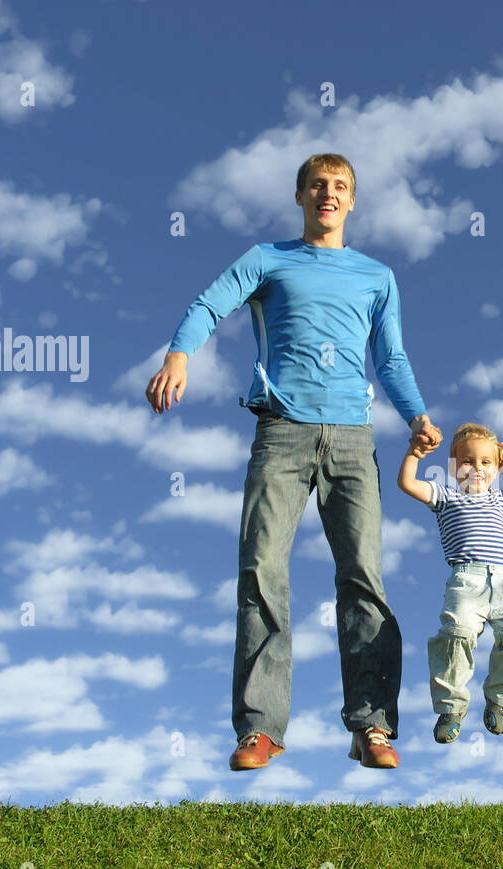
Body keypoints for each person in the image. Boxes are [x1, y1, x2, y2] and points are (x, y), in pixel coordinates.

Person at [145, 153, 442, 773]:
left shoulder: (376, 275)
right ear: (301, 196)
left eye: (339, 187)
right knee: (262, 570)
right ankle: (259, 729)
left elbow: (390, 358)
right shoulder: (267, 259)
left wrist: (415, 415)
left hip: (354, 438)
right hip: (281, 431)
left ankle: (372, 726)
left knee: (363, 577)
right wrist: (179, 355)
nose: (328, 195)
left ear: (352, 201)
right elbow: (209, 303)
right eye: (317, 186)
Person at [398, 423, 503, 744]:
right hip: (467, 579)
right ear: (453, 467)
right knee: (457, 633)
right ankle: (451, 708)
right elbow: (407, 482)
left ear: (496, 468)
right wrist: (415, 452)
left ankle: (499, 698)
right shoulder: (446, 496)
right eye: (467, 461)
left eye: (485, 462)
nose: (476, 468)